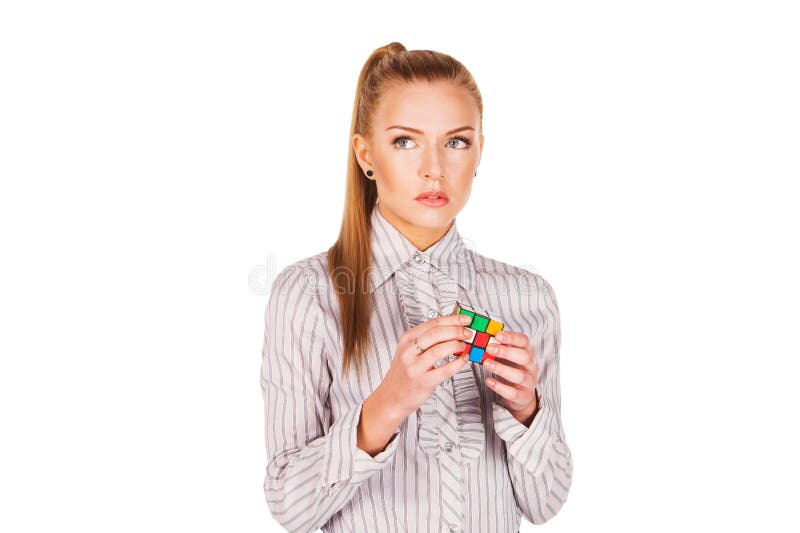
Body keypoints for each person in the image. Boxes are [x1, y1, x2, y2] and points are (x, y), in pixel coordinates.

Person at [260, 42, 573, 533]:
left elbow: (545, 503)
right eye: (405, 141)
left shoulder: (528, 298)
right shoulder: (307, 295)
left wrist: (526, 410)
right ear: (366, 154)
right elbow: (289, 506)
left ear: (479, 152)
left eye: (456, 142)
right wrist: (385, 405)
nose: (434, 168)